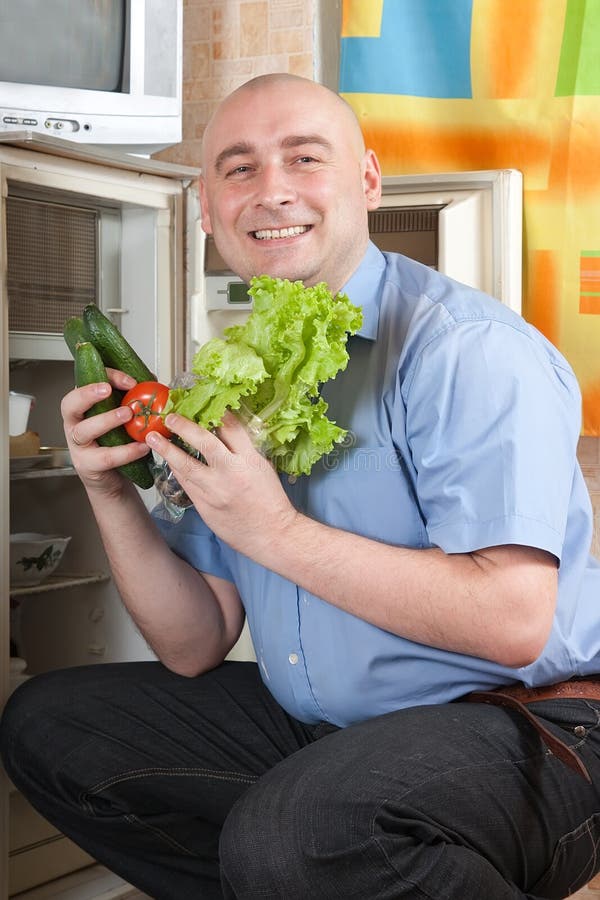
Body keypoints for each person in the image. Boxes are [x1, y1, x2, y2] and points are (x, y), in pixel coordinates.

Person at [2, 72, 600, 900]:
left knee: (300, 834)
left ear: (367, 181)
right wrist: (107, 492)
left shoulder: (465, 350)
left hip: (531, 723)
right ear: (207, 211)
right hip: (329, 732)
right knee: (50, 726)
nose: (271, 191)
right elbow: (193, 642)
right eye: (238, 169)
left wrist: (272, 530)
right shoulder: (231, 376)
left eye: (305, 158)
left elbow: (514, 622)